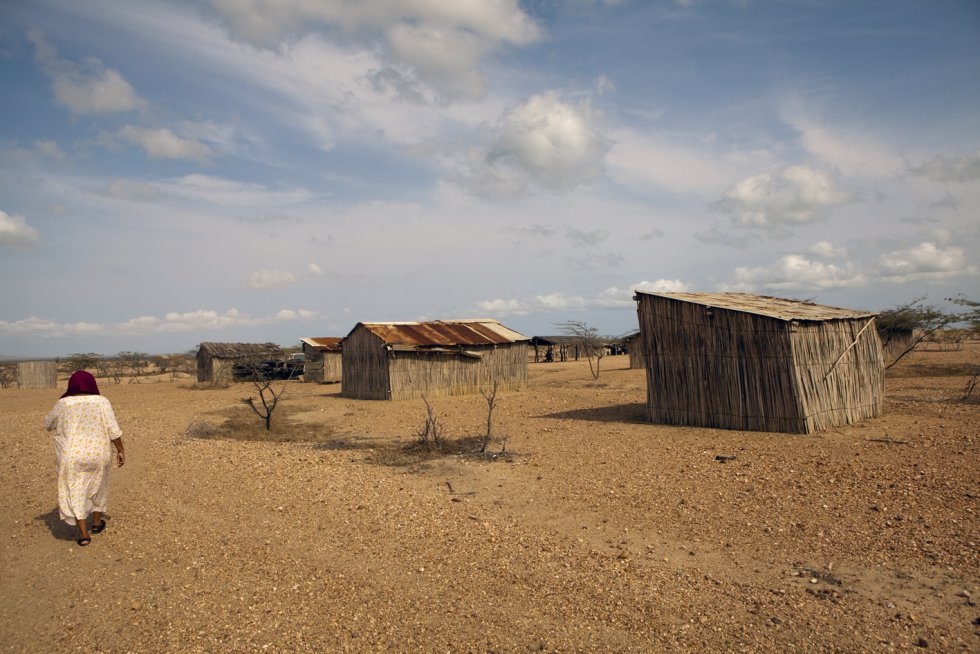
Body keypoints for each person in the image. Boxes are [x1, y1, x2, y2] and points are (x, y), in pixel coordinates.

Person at [44, 370, 125, 547]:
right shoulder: (102, 401)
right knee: (99, 485)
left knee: (76, 489)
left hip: (73, 456)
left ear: (71, 384)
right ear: (92, 384)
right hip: (99, 453)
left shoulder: (63, 403)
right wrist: (120, 450)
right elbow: (113, 429)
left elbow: (48, 424)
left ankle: (84, 535)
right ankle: (96, 523)